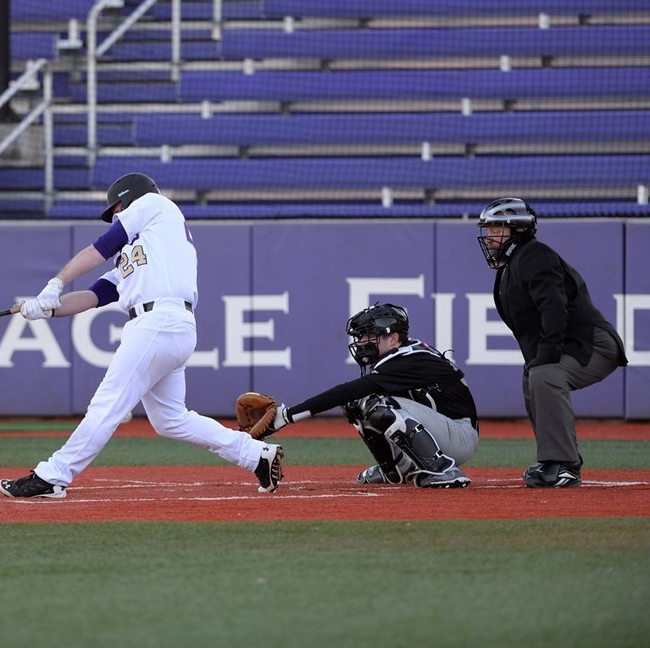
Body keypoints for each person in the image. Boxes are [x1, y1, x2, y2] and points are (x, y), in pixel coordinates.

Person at [0, 173, 284, 499]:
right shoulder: (142, 251)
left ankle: (53, 475)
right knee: (170, 419)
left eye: (117, 208)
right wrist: (45, 308)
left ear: (131, 197)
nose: (116, 215)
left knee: (107, 405)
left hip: (158, 322)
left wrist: (56, 283)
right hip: (168, 327)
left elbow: (101, 246)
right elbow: (94, 296)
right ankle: (254, 455)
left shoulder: (155, 205)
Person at [476, 197, 627, 488]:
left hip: (592, 343)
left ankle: (564, 465)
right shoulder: (510, 268)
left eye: (497, 228)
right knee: (533, 376)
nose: (489, 235)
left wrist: (547, 353)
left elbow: (553, 307)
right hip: (572, 343)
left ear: (517, 230)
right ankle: (555, 460)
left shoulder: (534, 254)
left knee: (545, 374)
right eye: (488, 228)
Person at [249, 303, 479, 488]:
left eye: (370, 336)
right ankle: (395, 469)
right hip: (445, 428)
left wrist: (286, 416)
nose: (362, 342)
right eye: (361, 337)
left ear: (393, 338)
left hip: (460, 434)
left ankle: (442, 469)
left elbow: (347, 390)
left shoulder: (408, 358)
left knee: (370, 401)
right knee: (355, 403)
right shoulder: (403, 353)